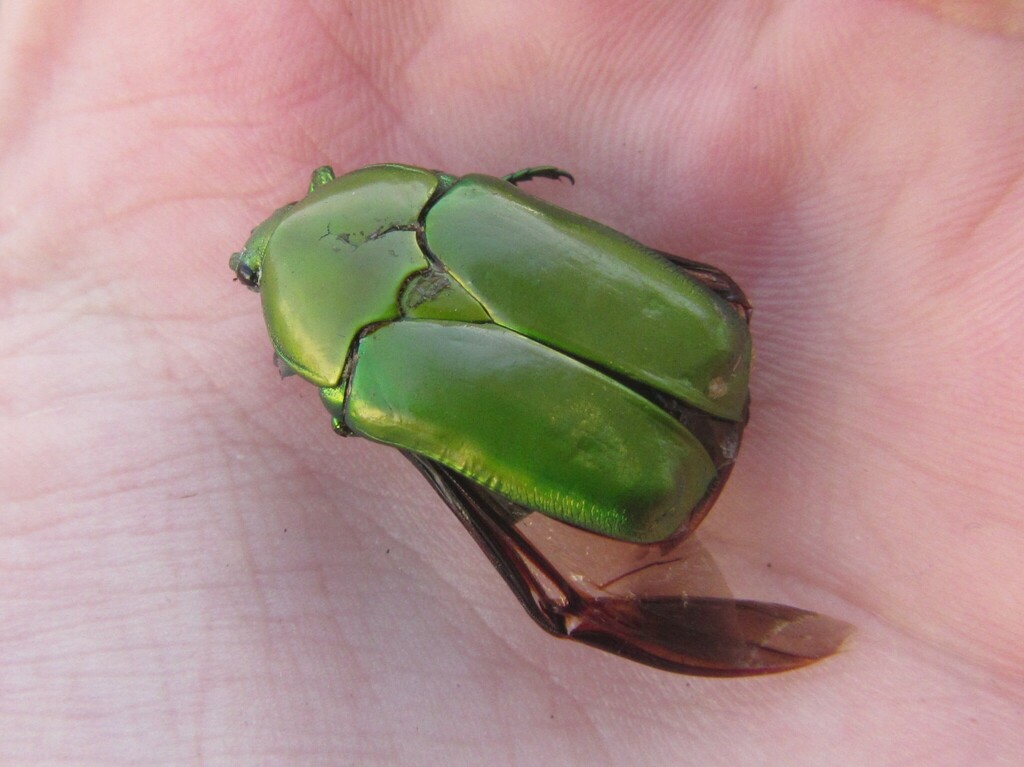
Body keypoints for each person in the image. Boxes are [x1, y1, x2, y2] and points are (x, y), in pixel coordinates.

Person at [2, 2, 1021, 764]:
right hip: (705, 341)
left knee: (555, 597)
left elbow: (548, 588)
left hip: (654, 465)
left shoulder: (359, 380)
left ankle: (630, 597)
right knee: (564, 566)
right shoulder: (449, 206)